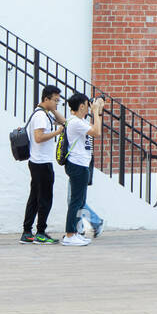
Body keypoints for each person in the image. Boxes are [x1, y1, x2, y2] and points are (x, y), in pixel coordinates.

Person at [21, 85, 65, 245]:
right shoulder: (40, 116)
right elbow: (39, 137)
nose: (57, 103)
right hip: (41, 163)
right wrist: (57, 133)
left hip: (38, 162)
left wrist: (53, 109)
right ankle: (40, 232)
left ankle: (27, 232)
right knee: (45, 199)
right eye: (55, 100)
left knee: (34, 197)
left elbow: (64, 122)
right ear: (46, 99)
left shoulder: (44, 113)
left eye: (58, 101)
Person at [62, 93, 104, 248]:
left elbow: (94, 128)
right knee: (75, 202)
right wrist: (96, 112)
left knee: (80, 202)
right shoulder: (75, 122)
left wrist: (97, 110)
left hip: (81, 164)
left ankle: (76, 233)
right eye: (87, 104)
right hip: (77, 165)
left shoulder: (79, 121)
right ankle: (69, 235)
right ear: (81, 106)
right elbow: (97, 132)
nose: (89, 106)